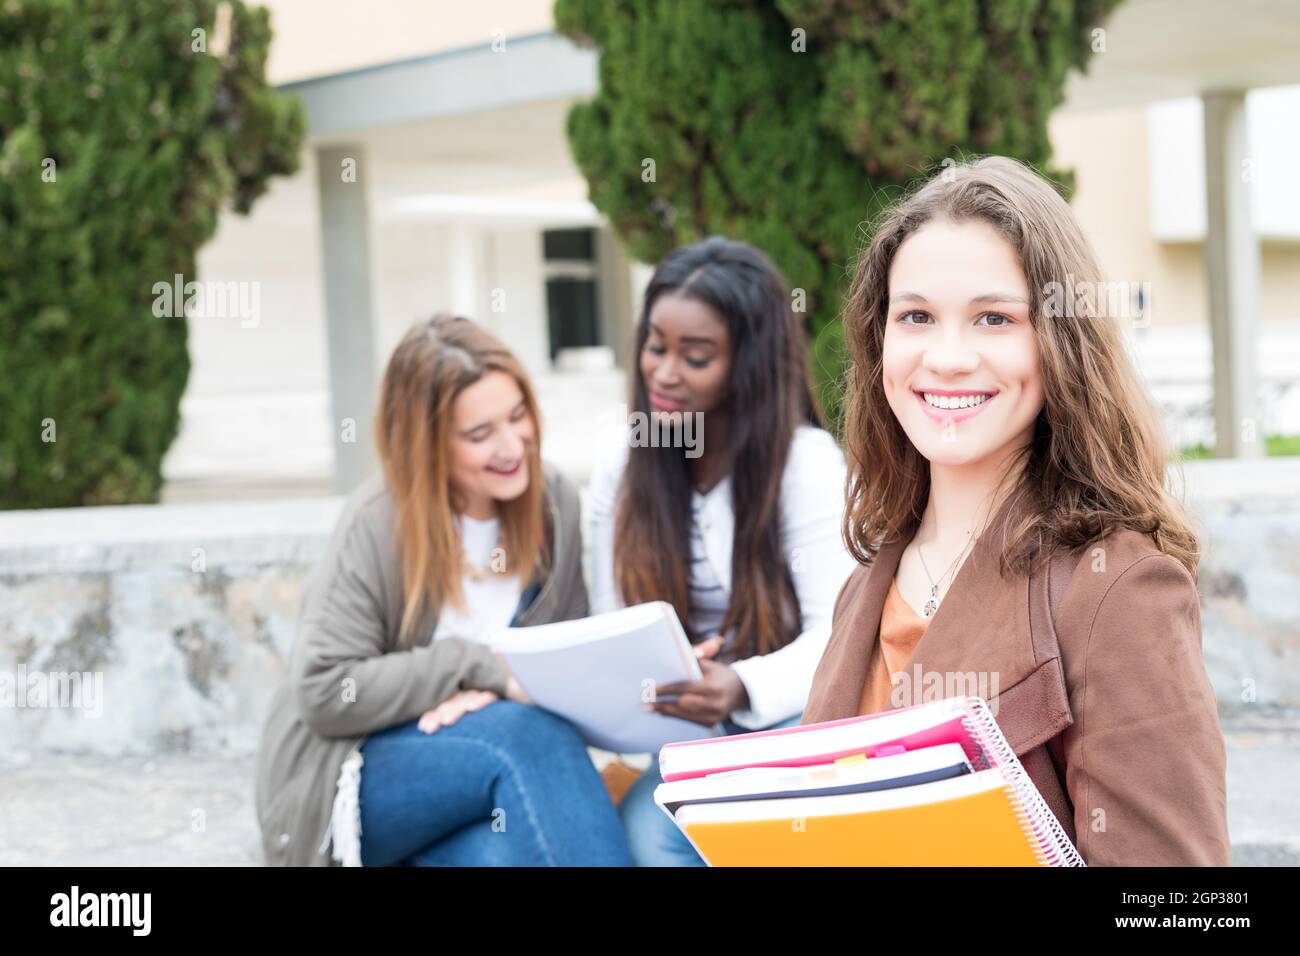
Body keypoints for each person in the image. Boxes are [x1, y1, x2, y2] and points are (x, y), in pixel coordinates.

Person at [803, 156, 1230, 866]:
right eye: (916, 317)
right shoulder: (864, 586)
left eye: (994, 319)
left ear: (1059, 343)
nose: (947, 357)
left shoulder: (1118, 588)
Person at [255, 314, 631, 866]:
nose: (512, 445)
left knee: (504, 855)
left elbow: (557, 657)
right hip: (354, 771)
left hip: (480, 771)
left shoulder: (551, 502)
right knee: (527, 737)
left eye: (518, 416)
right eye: (480, 434)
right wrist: (473, 666)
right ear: (428, 445)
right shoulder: (377, 524)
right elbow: (325, 690)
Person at [588, 236, 857, 866]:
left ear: (748, 365)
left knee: (695, 827)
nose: (663, 371)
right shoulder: (623, 468)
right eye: (656, 346)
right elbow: (612, 626)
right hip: (681, 738)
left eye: (696, 356)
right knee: (645, 827)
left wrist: (739, 685)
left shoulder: (807, 468)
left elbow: (840, 635)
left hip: (792, 719)